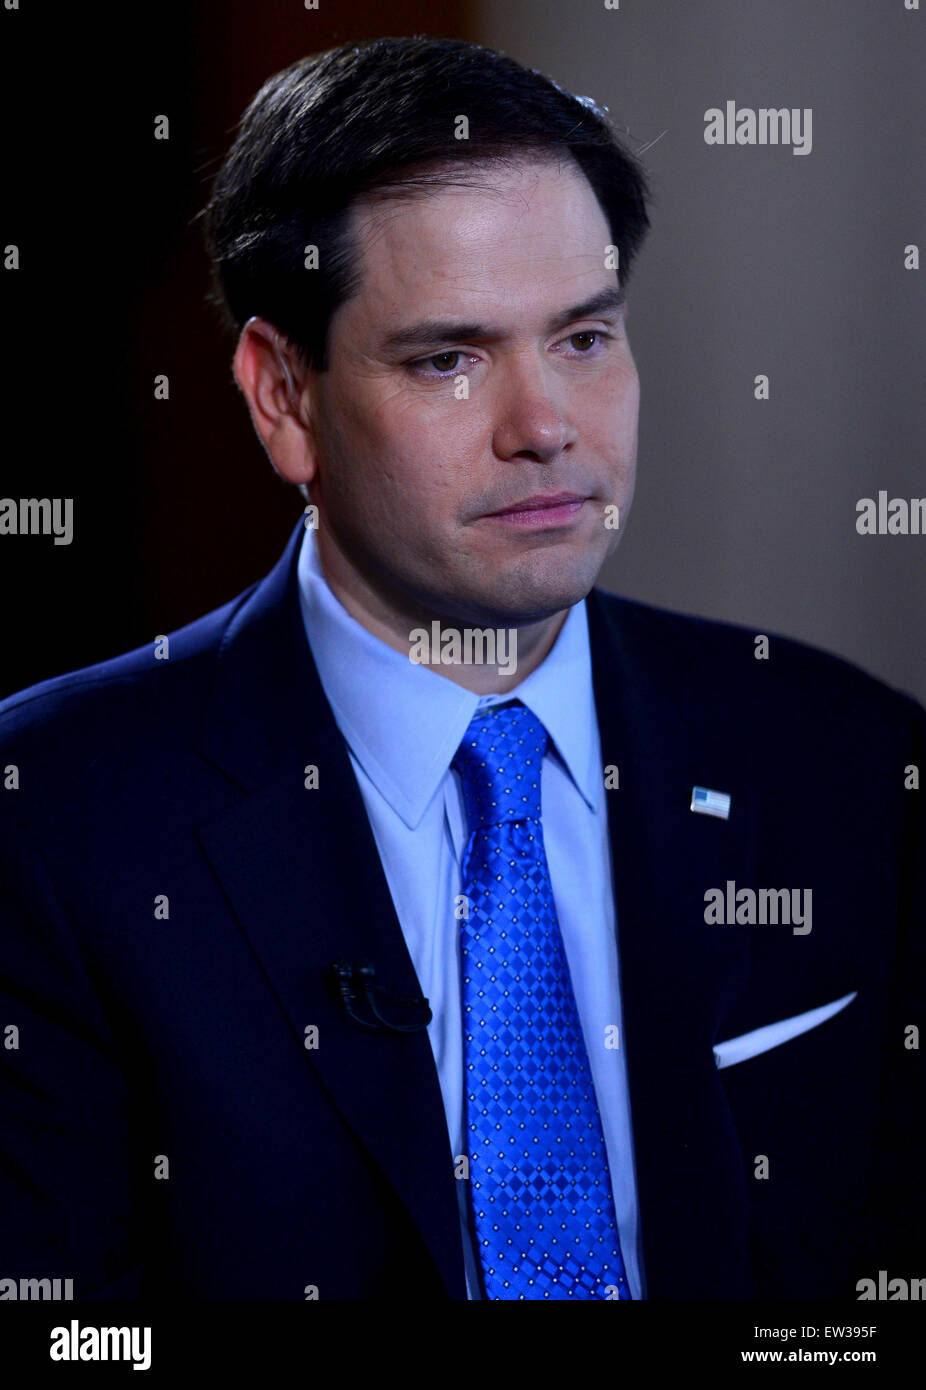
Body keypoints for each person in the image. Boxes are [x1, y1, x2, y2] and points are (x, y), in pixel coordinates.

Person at [0, 36, 922, 1302]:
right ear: (282, 396)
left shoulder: (853, 761)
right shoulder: (51, 816)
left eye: (584, 339)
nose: (545, 426)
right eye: (449, 358)